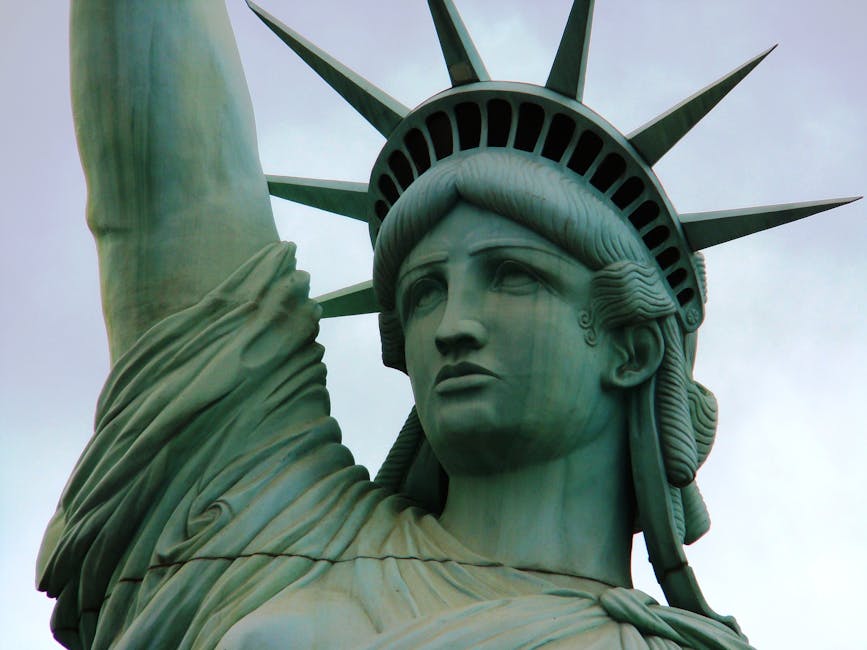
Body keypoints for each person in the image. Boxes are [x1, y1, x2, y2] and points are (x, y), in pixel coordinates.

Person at [38, 1, 851, 648]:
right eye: (424, 293)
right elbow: (167, 198)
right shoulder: (275, 518)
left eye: (512, 278)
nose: (452, 325)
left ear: (632, 348)